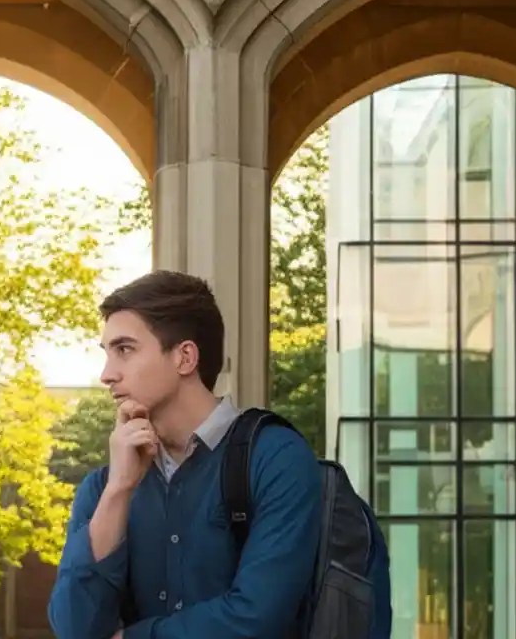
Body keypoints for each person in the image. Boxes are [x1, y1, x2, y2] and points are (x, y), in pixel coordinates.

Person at [47, 270, 322, 639]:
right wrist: (119, 491)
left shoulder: (276, 459)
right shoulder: (105, 487)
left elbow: (258, 618)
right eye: (107, 353)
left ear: (185, 357)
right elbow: (74, 630)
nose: (106, 374)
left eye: (124, 350)